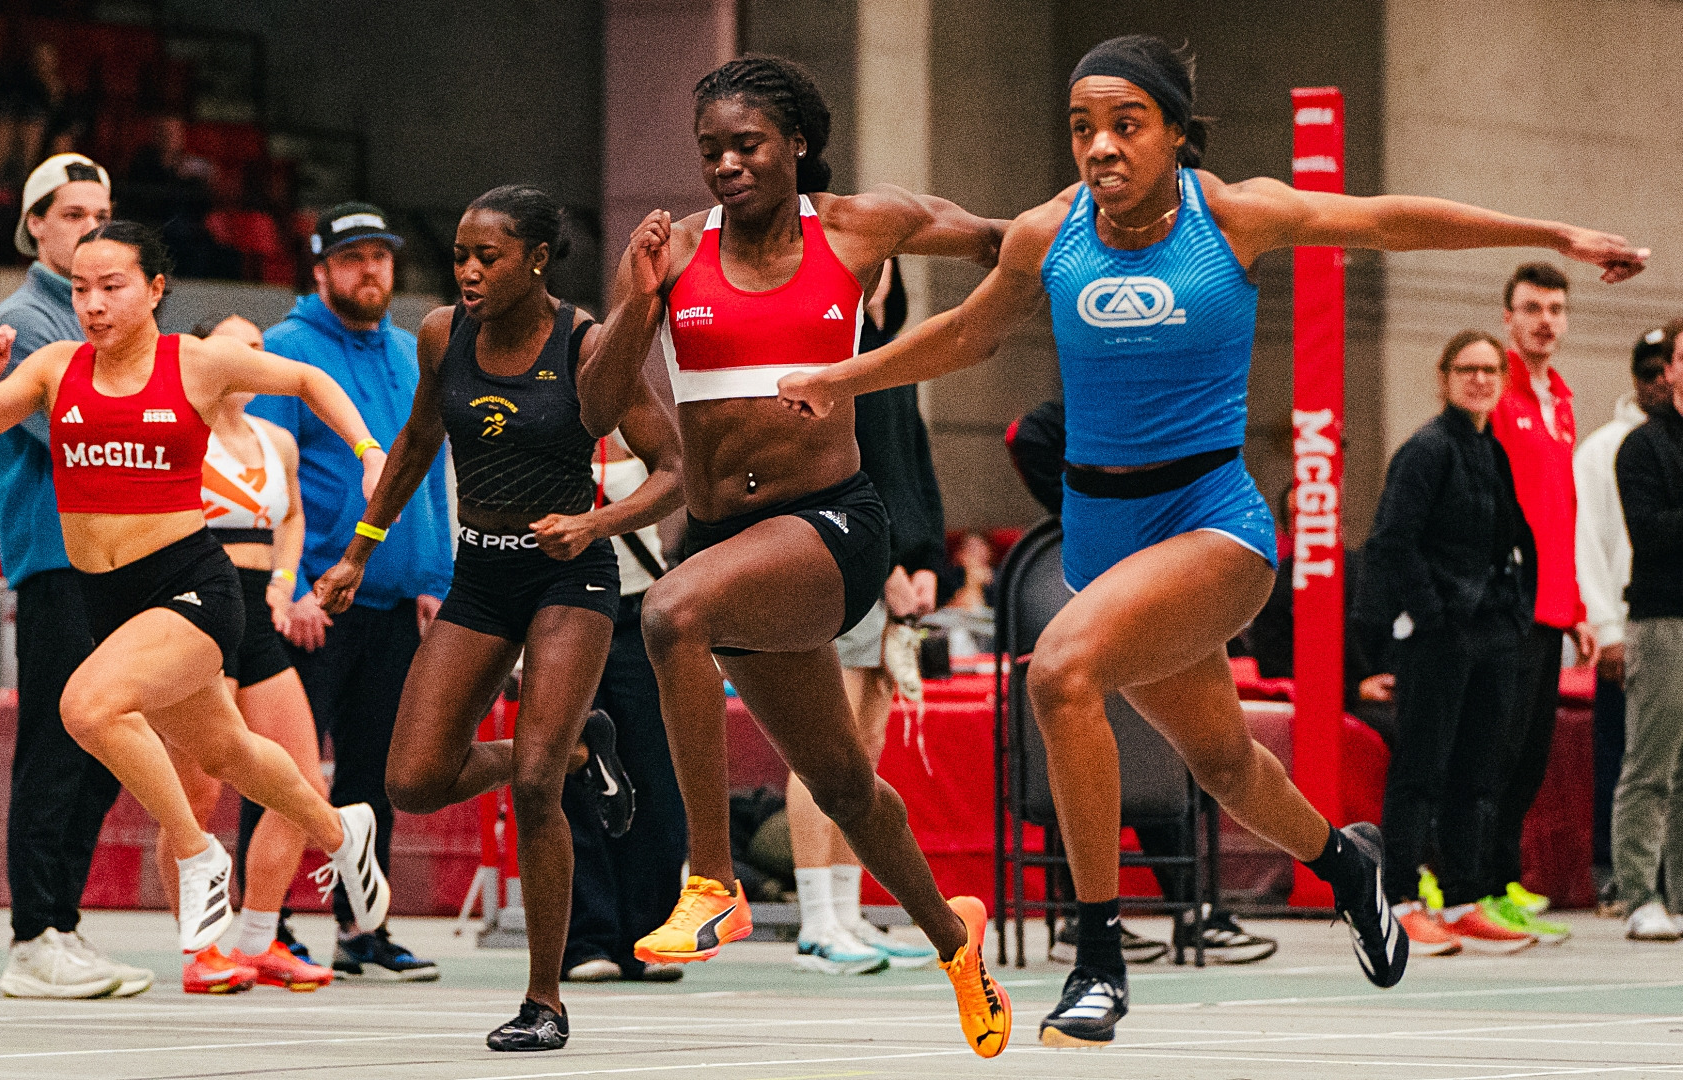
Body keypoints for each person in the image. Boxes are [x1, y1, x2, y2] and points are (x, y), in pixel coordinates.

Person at [777, 34, 1646, 1046]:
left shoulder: (1232, 214)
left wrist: (1557, 232)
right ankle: (1348, 863)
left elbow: (1394, 221)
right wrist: (840, 378)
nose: (1099, 147)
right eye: (1081, 129)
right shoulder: (1050, 231)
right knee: (1225, 764)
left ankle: (1098, 959)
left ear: (1178, 134)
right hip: (1102, 533)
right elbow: (967, 334)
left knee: (1059, 671)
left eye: (1125, 125)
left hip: (1212, 528)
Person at [593, 55, 1017, 1059]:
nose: (727, 166)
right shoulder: (674, 249)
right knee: (841, 782)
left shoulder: (860, 227)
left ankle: (711, 881)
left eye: (747, 145)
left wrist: (1131, 229)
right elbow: (600, 401)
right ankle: (959, 947)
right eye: (710, 153)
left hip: (832, 524)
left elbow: (1010, 243)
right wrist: (637, 302)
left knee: (668, 615)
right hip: (725, 540)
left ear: (796, 145)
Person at [0, 220, 395, 975]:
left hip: (191, 586)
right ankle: (342, 833)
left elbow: (308, 381)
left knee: (85, 707)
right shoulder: (54, 368)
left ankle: (197, 852)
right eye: (81, 289)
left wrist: (370, 452)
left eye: (112, 287)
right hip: (106, 598)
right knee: (229, 751)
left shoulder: (198, 363)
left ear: (154, 290)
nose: (93, 304)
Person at [313, 183, 678, 1051]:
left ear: (539, 260)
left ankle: (544, 1000)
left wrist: (598, 522)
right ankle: (586, 746)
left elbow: (674, 469)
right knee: (412, 779)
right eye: (461, 258)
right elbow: (413, 445)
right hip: (482, 576)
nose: (468, 273)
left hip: (569, 578)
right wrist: (359, 551)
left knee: (536, 786)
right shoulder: (444, 333)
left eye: (489, 257)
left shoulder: (586, 344)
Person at [242, 203, 450, 982]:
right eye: (354, 258)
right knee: (283, 772)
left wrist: (434, 577)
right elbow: (266, 475)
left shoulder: (408, 351)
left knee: (375, 778)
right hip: (313, 609)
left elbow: (424, 474)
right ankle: (272, 923)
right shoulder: (289, 353)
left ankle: (364, 929)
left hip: (395, 604)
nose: (372, 271)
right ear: (321, 269)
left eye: (382, 258)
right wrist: (285, 588)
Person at [1005, 397, 1278, 966]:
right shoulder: (1104, 390)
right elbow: (1024, 436)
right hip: (1104, 584)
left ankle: (1190, 911)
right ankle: (1091, 919)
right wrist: (1083, 512)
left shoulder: (1182, 404)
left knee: (1163, 757)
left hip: (1163, 580)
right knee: (1087, 741)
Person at [0, 152, 144, 999]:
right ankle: (28, 936)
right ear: (36, 225)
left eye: (104, 214)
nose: (93, 228)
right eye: (75, 214)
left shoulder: (100, 313)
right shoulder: (26, 321)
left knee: (107, 747)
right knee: (54, 744)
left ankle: (63, 924)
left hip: (117, 564)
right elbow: (85, 432)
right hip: (57, 563)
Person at [148, 314, 335, 994]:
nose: (255, 357)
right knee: (194, 796)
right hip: (196, 611)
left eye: (262, 347)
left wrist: (286, 585)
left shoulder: (276, 440)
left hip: (257, 612)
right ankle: (200, 949)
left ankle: (259, 938)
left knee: (302, 786)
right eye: (240, 346)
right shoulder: (177, 432)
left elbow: (291, 519)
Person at [1356, 331, 1539, 957]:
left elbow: (1511, 541)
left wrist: (1515, 614)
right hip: (1438, 639)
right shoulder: (1426, 451)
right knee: (1420, 772)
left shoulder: (1493, 451)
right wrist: (1433, 619)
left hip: (1490, 635)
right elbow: (1390, 543)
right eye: (1468, 369)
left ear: (1502, 380)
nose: (1480, 380)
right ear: (1444, 378)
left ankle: (1461, 901)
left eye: (1490, 370)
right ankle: (1401, 902)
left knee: (1476, 772)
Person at [787, 257, 943, 975]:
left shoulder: (892, 356)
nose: (872, 276)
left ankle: (848, 912)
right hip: (848, 569)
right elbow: (839, 475)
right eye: (861, 264)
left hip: (898, 579)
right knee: (825, 749)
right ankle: (816, 922)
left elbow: (913, 468)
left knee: (867, 752)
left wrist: (927, 564)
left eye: (884, 266)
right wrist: (882, 571)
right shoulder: (831, 359)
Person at [1489, 262, 1597, 938]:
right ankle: (1470, 881)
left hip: (1554, 606)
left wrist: (1580, 604)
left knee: (1529, 755)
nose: (1545, 321)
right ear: (1509, 318)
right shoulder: (1492, 387)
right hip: (1505, 604)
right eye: (1532, 308)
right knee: (1493, 752)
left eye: (1555, 308)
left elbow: (1564, 511)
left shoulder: (1561, 397)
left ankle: (1501, 879)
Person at [560, 432, 688, 987]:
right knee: (575, 773)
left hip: (640, 618)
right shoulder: (542, 455)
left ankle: (651, 930)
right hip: (565, 613)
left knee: (655, 773)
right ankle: (586, 936)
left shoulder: (649, 454)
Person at [1576, 323, 1678, 911]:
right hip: (1638, 619)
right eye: (1648, 370)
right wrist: (1607, 627)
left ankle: (1672, 885)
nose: (1658, 379)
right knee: (1634, 759)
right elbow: (1587, 539)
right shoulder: (1606, 447)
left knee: (1669, 762)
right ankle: (1621, 879)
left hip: (1667, 615)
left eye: (1664, 366)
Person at [1611, 331, 1683, 942]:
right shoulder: (1643, 446)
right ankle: (1639, 893)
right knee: (1652, 762)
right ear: (1671, 370)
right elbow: (1652, 532)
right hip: (1663, 619)